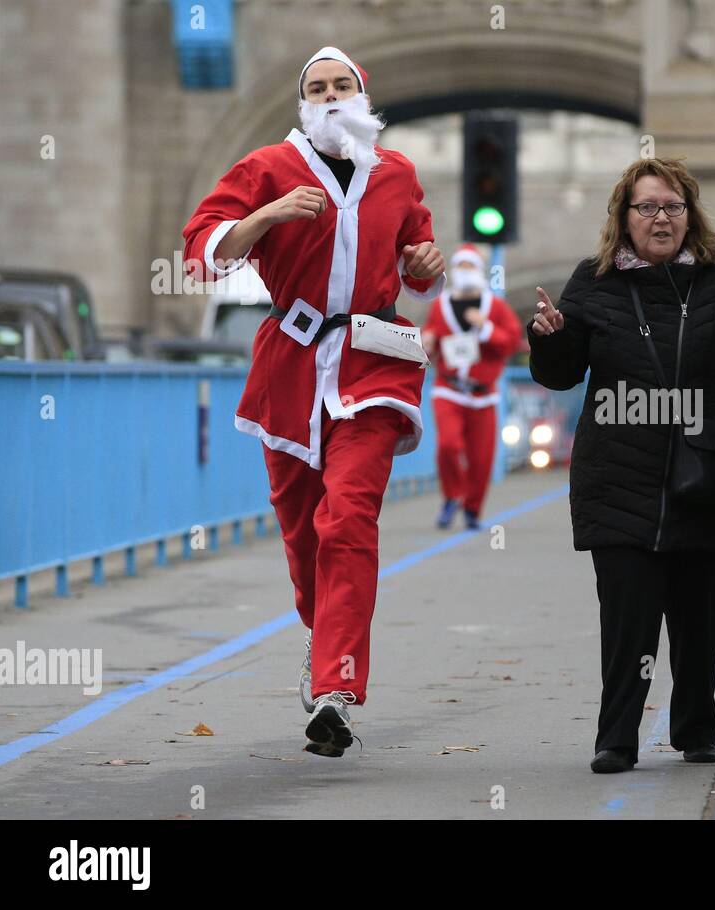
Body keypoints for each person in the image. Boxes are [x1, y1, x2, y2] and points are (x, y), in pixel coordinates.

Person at [182, 46, 446, 757]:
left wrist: (426, 267)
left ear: (363, 95)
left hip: (373, 364)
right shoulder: (268, 167)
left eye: (343, 85)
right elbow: (203, 253)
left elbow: (419, 264)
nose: (331, 96)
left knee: (349, 517)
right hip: (293, 370)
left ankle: (336, 687)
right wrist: (266, 215)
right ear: (305, 103)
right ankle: (321, 638)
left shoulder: (397, 174)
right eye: (318, 87)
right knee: (304, 536)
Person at [528, 157, 715, 774]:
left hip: (709, 470)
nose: (660, 218)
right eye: (647, 208)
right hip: (618, 473)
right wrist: (552, 336)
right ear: (624, 217)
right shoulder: (595, 280)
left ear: (690, 215)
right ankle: (617, 738)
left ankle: (696, 727)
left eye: (672, 206)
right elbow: (561, 375)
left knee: (699, 616)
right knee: (627, 619)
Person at [421, 244, 522, 530]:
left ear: (479, 271)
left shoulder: (496, 307)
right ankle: (453, 495)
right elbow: (431, 344)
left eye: (470, 267)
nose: (465, 272)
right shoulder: (440, 305)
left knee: (481, 459)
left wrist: (485, 327)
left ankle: (472, 508)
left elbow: (511, 342)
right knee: (448, 444)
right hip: (449, 388)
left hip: (483, 394)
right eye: (460, 267)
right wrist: (427, 343)